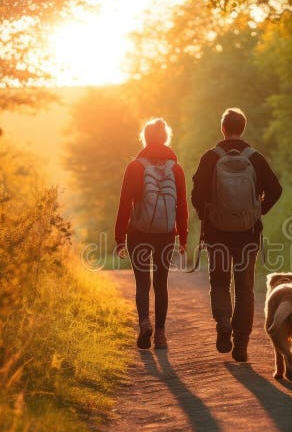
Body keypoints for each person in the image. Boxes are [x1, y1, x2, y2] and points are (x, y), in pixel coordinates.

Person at [191, 108, 282, 361]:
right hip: (248, 234)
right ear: (243, 128)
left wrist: (206, 216)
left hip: (217, 235)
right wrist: (257, 211)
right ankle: (241, 344)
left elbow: (196, 195)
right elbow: (276, 189)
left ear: (223, 129)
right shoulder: (256, 159)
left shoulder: (210, 158)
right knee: (245, 289)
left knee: (219, 282)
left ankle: (223, 324)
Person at [115, 118, 188, 350]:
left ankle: (144, 322)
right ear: (165, 139)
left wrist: (119, 238)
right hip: (165, 234)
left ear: (145, 139)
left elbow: (125, 204)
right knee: (161, 283)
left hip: (139, 233)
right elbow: (182, 207)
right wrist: (183, 237)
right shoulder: (176, 169)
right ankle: (161, 335)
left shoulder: (135, 167)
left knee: (142, 283)